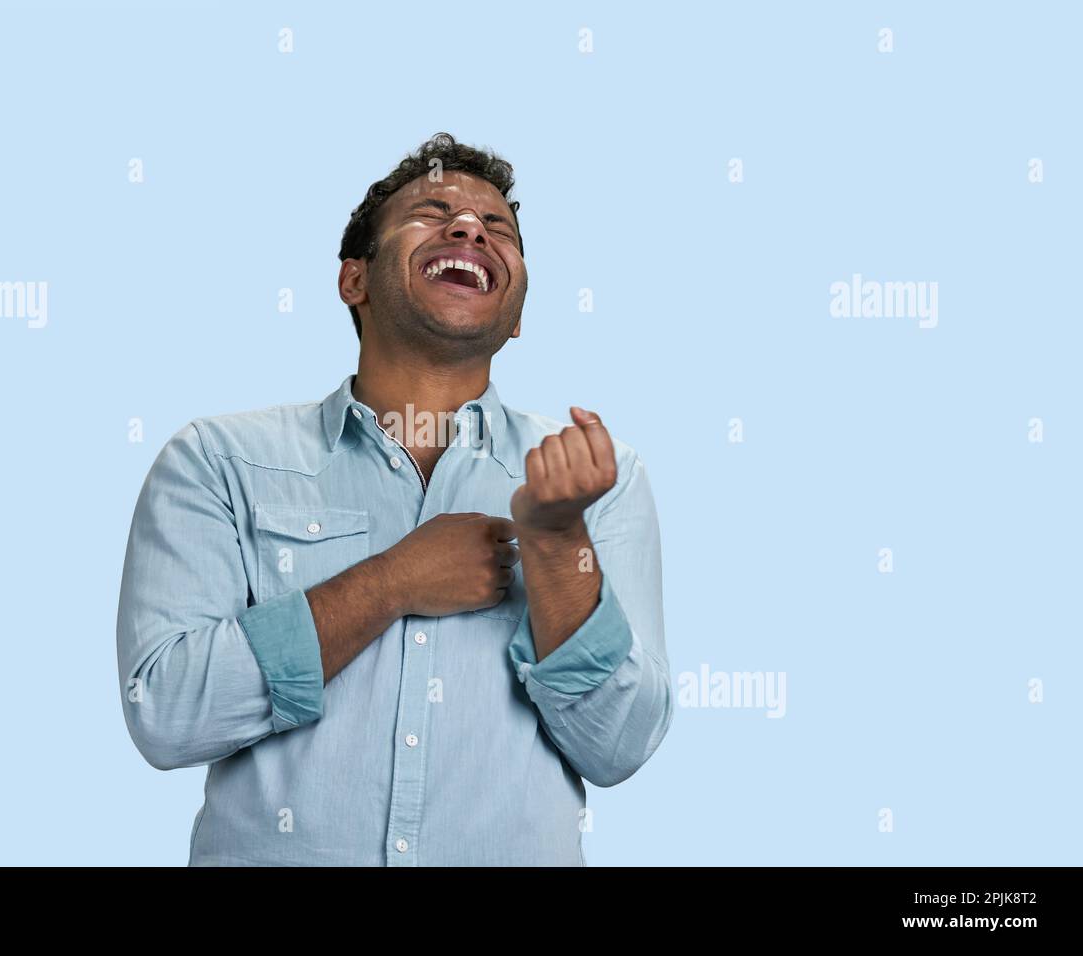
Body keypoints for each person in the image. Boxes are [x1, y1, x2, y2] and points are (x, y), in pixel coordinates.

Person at [115, 133, 673, 866]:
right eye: (432, 213)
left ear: (517, 314)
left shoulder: (601, 478)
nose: (470, 229)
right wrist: (392, 582)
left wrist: (557, 542)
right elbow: (167, 713)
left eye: (498, 227)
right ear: (355, 280)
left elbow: (619, 746)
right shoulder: (217, 460)